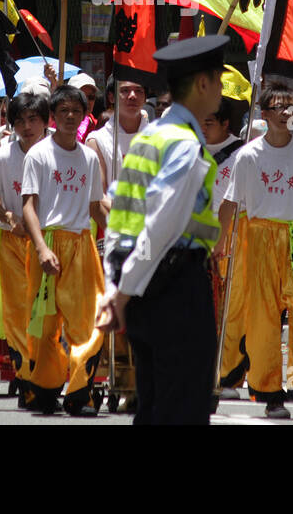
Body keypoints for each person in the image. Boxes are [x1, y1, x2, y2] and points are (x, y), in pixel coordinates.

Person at [98, 35, 227, 425]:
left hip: (141, 292)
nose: (221, 90)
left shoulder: (146, 139)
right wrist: (119, 295)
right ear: (202, 84)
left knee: (153, 408)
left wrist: (114, 286)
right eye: (218, 80)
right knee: (181, 410)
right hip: (176, 286)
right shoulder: (185, 145)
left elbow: (120, 218)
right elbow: (159, 225)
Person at [223, 82, 293, 419]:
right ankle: (271, 395)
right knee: (263, 319)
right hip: (260, 238)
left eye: (290, 106)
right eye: (278, 107)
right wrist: (218, 247)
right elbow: (229, 204)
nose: (285, 112)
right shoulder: (248, 156)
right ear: (264, 114)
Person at [21, 84, 107, 415]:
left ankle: (79, 393)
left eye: (76, 110)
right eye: (63, 111)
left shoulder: (89, 157)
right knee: (43, 324)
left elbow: (96, 207)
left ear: (85, 115)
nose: (70, 116)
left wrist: (120, 234)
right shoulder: (38, 154)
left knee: (87, 322)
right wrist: (41, 248)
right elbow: (29, 206)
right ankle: (44, 388)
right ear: (53, 117)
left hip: (81, 244)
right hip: (48, 242)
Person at [0, 91, 48, 406]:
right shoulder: (1, 157)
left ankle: (48, 370)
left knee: (48, 310)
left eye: (33, 119)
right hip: (11, 243)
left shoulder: (59, 154)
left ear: (46, 121)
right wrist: (7, 215)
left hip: (50, 243)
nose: (27, 126)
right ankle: (23, 372)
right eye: (20, 120)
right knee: (16, 312)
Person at [206, 97, 249, 396]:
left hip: (234, 235)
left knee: (232, 309)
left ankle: (229, 374)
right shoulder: (190, 148)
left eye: (209, 122)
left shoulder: (242, 152)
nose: (202, 128)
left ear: (225, 124)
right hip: (197, 236)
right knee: (204, 308)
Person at [86, 76, 149, 192]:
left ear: (145, 97)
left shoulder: (159, 139)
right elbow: (99, 198)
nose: (132, 96)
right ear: (111, 97)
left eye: (139, 90)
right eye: (125, 90)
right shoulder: (96, 141)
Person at [68, 73, 99, 141]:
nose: (86, 101)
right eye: (82, 97)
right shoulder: (59, 127)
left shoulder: (100, 128)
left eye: (91, 97)